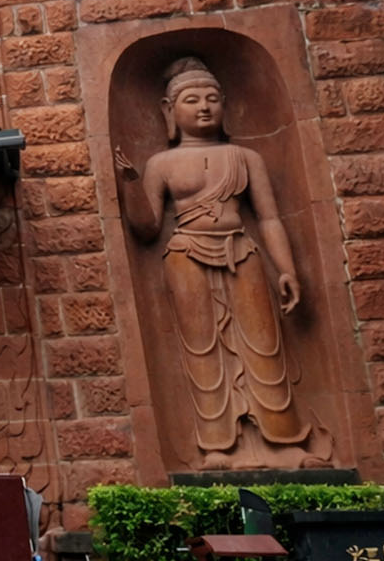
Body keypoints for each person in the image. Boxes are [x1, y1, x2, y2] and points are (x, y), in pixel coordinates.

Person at [117, 56, 311, 459]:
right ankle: (218, 445)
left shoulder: (244, 158)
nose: (203, 107)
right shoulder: (162, 164)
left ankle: (284, 440)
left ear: (224, 105)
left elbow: (271, 218)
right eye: (191, 100)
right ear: (170, 112)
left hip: (242, 251)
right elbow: (148, 227)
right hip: (187, 255)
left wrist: (287, 270)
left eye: (211, 99)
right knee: (203, 351)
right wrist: (133, 186)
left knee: (262, 345)